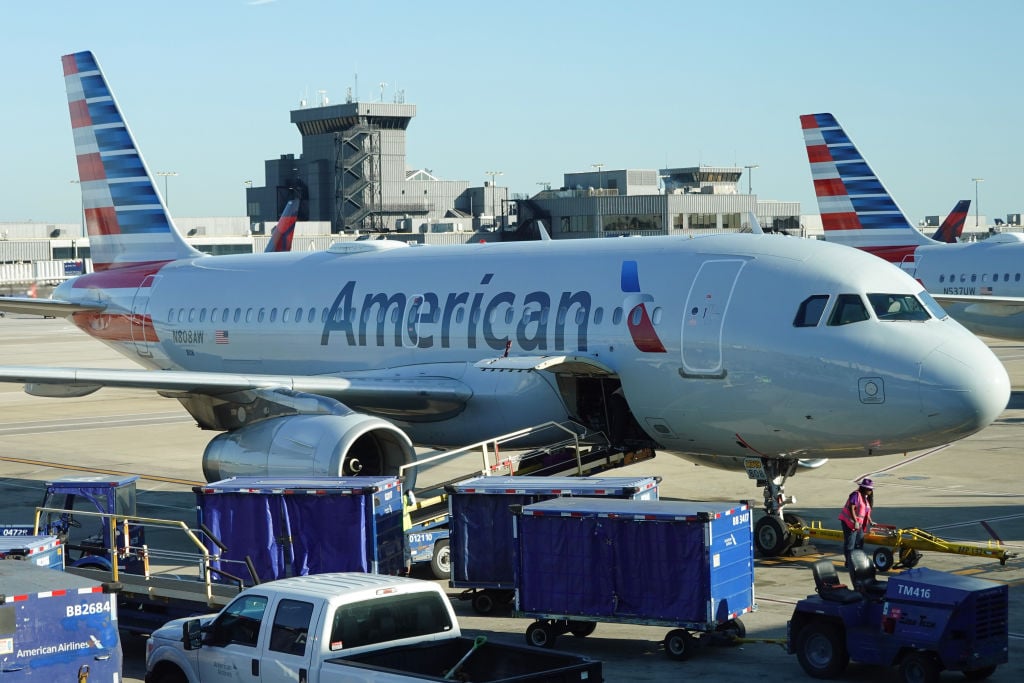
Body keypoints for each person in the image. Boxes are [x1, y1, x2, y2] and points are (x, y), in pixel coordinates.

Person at [838, 477, 874, 571]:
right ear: (864, 488)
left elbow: (866, 511)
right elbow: (851, 508)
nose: (871, 491)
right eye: (869, 489)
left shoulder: (865, 498)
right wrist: (855, 521)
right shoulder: (856, 495)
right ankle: (849, 563)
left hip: (858, 524)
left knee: (859, 542)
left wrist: (870, 521)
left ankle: (857, 561)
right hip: (849, 522)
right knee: (850, 544)